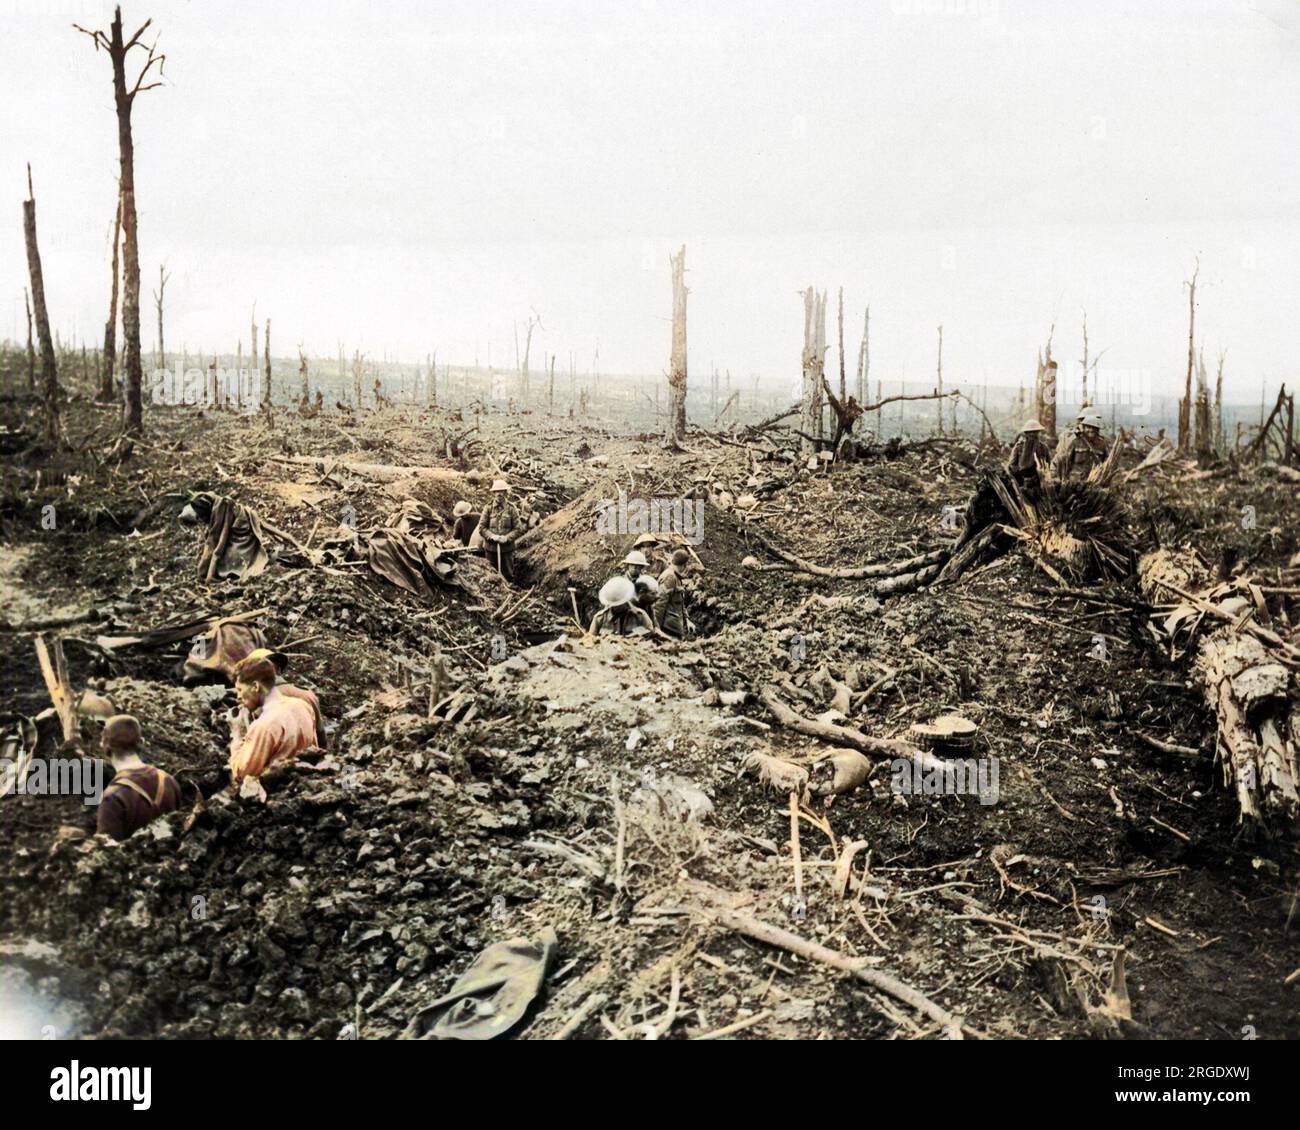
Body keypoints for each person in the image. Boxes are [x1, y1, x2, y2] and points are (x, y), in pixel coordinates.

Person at [227, 652, 319, 786]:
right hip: (306, 785)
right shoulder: (302, 705)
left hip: (278, 793)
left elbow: (241, 774)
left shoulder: (264, 725)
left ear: (255, 687)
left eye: (240, 690)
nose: (238, 697)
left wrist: (237, 733)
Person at [95, 715, 182, 841]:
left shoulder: (112, 798)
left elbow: (104, 854)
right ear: (140, 742)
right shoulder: (169, 781)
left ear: (105, 746)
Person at [479, 479, 523, 580]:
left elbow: (518, 528)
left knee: (508, 575)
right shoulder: (488, 508)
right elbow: (481, 528)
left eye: (502, 491)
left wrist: (506, 538)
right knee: (491, 576)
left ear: (505, 493)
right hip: (490, 549)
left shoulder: (512, 508)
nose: (499, 494)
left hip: (507, 550)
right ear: (494, 493)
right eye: (497, 491)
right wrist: (492, 536)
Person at [589, 575, 657, 636]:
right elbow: (589, 642)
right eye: (613, 603)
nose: (615, 606)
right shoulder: (599, 619)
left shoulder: (640, 616)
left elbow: (651, 640)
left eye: (619, 603)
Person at [1052, 410, 1108, 480]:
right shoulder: (1071, 438)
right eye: (1088, 427)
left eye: (1094, 427)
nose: (1091, 430)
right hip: (1075, 480)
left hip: (1094, 479)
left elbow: (1107, 462)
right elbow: (1062, 460)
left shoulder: (1102, 443)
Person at [653, 549, 695, 638]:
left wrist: (687, 620)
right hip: (668, 630)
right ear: (684, 565)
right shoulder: (670, 577)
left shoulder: (676, 577)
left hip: (675, 629)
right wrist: (657, 631)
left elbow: (680, 603)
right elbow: (659, 605)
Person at [1003, 418, 1050, 494]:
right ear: (1026, 434)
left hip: (1038, 483)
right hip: (1021, 482)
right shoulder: (1019, 447)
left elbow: (1047, 466)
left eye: (1035, 432)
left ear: (1038, 433)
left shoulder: (1043, 448)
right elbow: (1011, 465)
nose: (1032, 435)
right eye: (1030, 432)